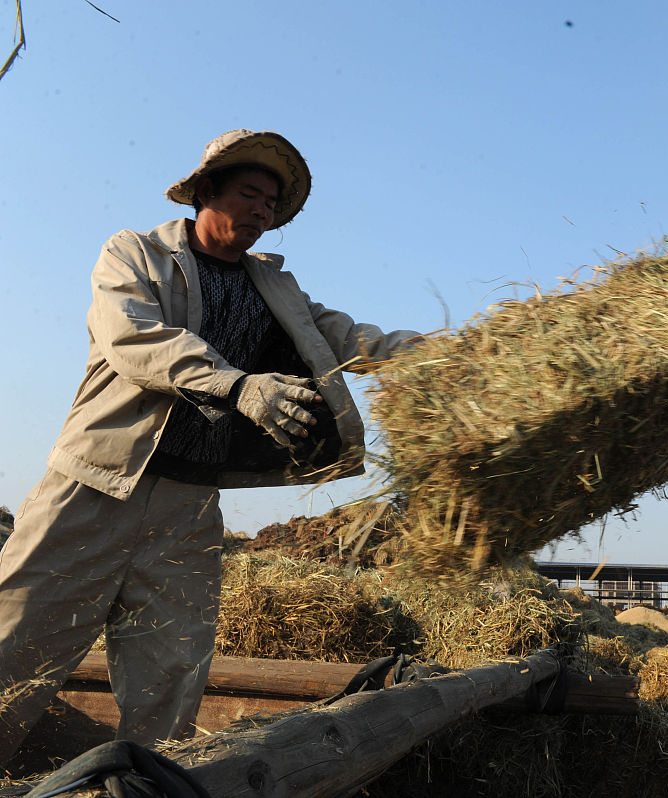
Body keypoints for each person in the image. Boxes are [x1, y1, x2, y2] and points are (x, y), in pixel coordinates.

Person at [0, 130, 420, 765]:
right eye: (249, 194)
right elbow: (134, 338)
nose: (262, 212)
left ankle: (147, 784)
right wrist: (238, 386)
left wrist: (447, 354)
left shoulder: (275, 287)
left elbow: (347, 336)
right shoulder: (135, 253)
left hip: (189, 506)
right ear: (204, 193)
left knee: (172, 677)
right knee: (18, 641)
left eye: (272, 205)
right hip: (97, 484)